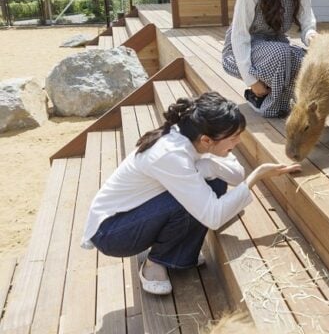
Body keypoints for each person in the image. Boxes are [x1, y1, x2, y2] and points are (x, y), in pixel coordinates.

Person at [81, 92, 301, 295]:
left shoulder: (191, 137)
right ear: (206, 140)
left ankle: (177, 255)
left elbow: (235, 175)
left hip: (135, 213)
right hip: (113, 232)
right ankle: (154, 263)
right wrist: (258, 176)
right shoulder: (171, 155)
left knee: (214, 185)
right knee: (192, 202)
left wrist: (212, 165)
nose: (238, 142)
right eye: (233, 137)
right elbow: (213, 216)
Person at [222, 0, 318, 117]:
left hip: (276, 44)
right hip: (246, 46)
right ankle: (260, 98)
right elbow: (239, 35)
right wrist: (251, 80)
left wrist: (312, 37)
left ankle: (280, 102)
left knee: (305, 60)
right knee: (282, 54)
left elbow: (307, 25)